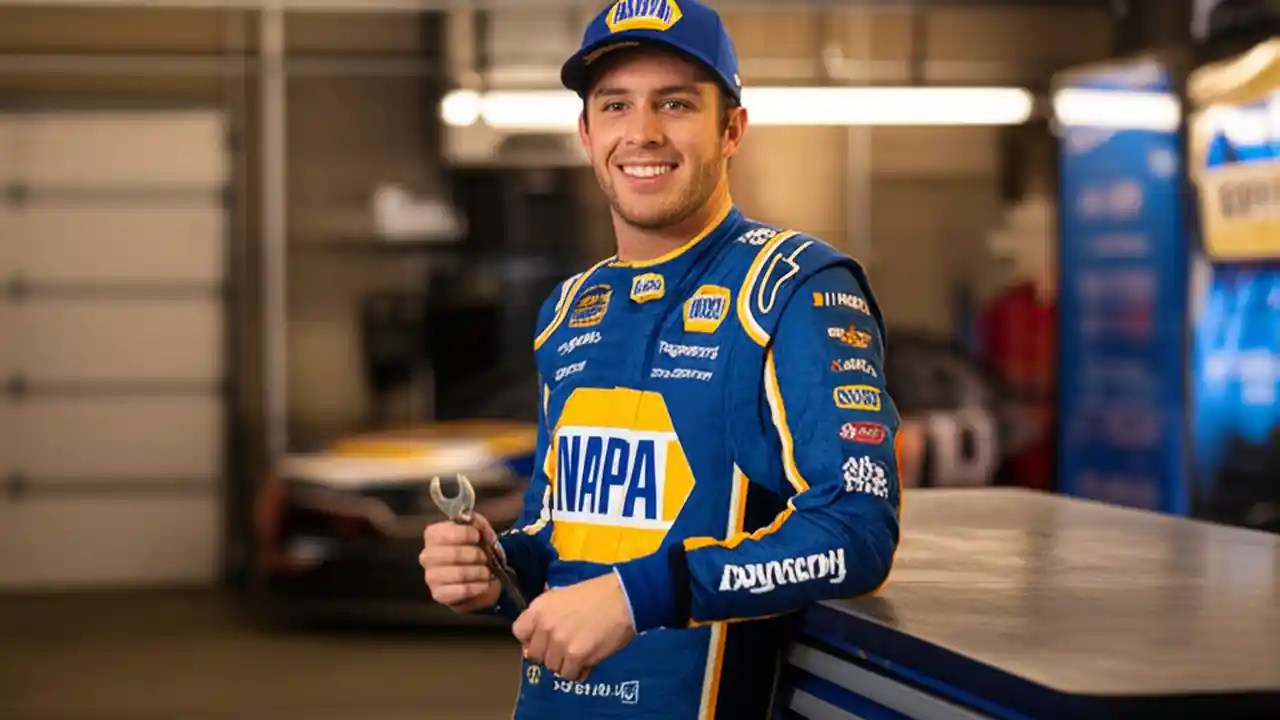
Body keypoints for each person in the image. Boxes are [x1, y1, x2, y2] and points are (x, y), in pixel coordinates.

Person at [419, 1, 902, 717]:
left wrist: (635, 597)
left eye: (675, 104)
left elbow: (856, 532)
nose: (641, 132)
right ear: (587, 133)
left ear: (731, 128)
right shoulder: (570, 308)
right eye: (615, 105)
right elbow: (559, 529)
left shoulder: (794, 286)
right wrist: (498, 565)